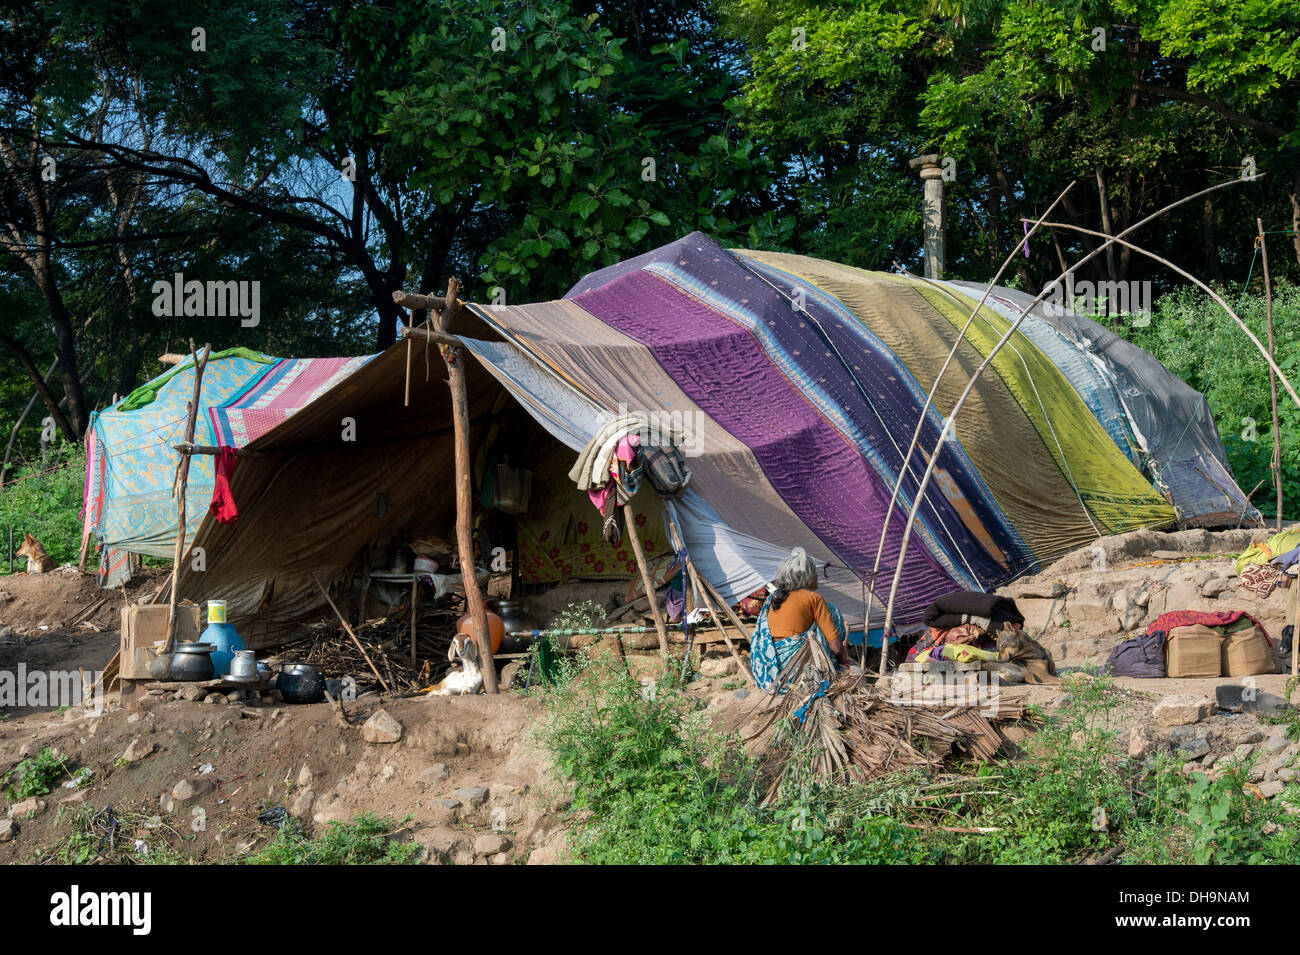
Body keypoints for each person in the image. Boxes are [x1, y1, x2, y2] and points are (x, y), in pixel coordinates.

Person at [750, 547, 851, 692]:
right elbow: (835, 647)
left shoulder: (772, 598)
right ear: (808, 577)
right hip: (800, 672)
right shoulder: (813, 598)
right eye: (815, 574)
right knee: (832, 610)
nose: (817, 578)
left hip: (771, 672)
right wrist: (842, 661)